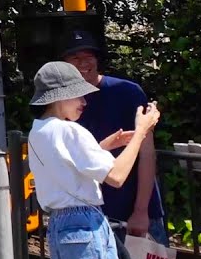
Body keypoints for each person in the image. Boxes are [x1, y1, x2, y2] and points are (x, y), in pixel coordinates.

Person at [29, 61, 161, 259]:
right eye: (79, 95)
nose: (85, 102)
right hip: (84, 224)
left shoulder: (39, 131)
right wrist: (140, 133)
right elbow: (116, 176)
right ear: (61, 95)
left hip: (58, 227)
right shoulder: (71, 130)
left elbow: (67, 168)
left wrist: (103, 147)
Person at [64, 30, 170, 247]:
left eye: (89, 56)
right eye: (75, 58)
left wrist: (141, 211)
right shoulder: (63, 102)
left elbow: (147, 153)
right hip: (91, 215)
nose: (84, 63)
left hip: (134, 208)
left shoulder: (128, 92)